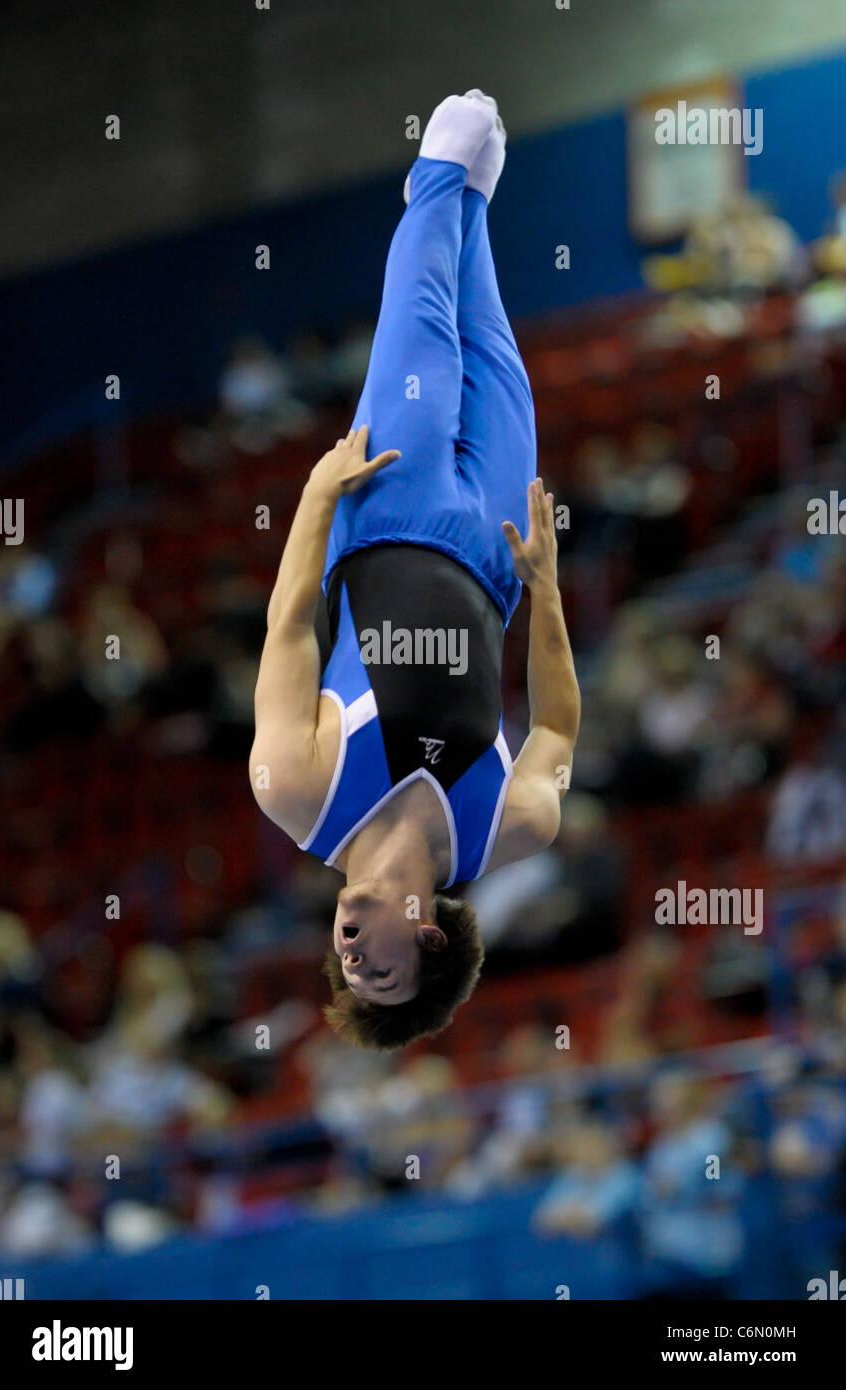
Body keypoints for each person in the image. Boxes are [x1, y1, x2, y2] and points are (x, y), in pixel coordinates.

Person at [250, 92, 580, 1048]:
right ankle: (466, 194)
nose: (350, 956)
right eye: (379, 969)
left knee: (423, 322)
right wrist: (549, 589)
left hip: (384, 511)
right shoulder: (503, 829)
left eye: (346, 969)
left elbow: (287, 633)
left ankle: (439, 173)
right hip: (495, 556)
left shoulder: (297, 791)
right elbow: (556, 721)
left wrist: (318, 497)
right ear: (428, 933)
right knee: (493, 348)